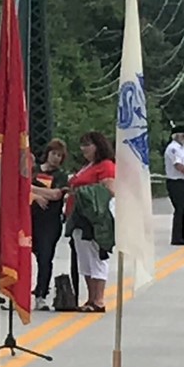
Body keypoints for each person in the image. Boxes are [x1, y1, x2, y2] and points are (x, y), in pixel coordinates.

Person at [66, 132, 117, 312]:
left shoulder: (106, 166)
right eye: (82, 145)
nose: (83, 149)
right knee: (85, 259)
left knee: (97, 257)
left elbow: (110, 190)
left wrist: (83, 193)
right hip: (79, 218)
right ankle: (90, 297)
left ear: (98, 146)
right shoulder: (87, 166)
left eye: (88, 145)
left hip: (95, 218)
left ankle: (99, 299)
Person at [30, 139, 69, 302]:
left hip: (50, 222)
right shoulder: (34, 170)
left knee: (45, 257)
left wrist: (31, 189)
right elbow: (21, 186)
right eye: (54, 154)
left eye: (60, 155)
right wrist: (36, 195)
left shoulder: (61, 176)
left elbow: (56, 194)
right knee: (26, 255)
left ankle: (41, 292)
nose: (56, 158)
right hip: (31, 218)